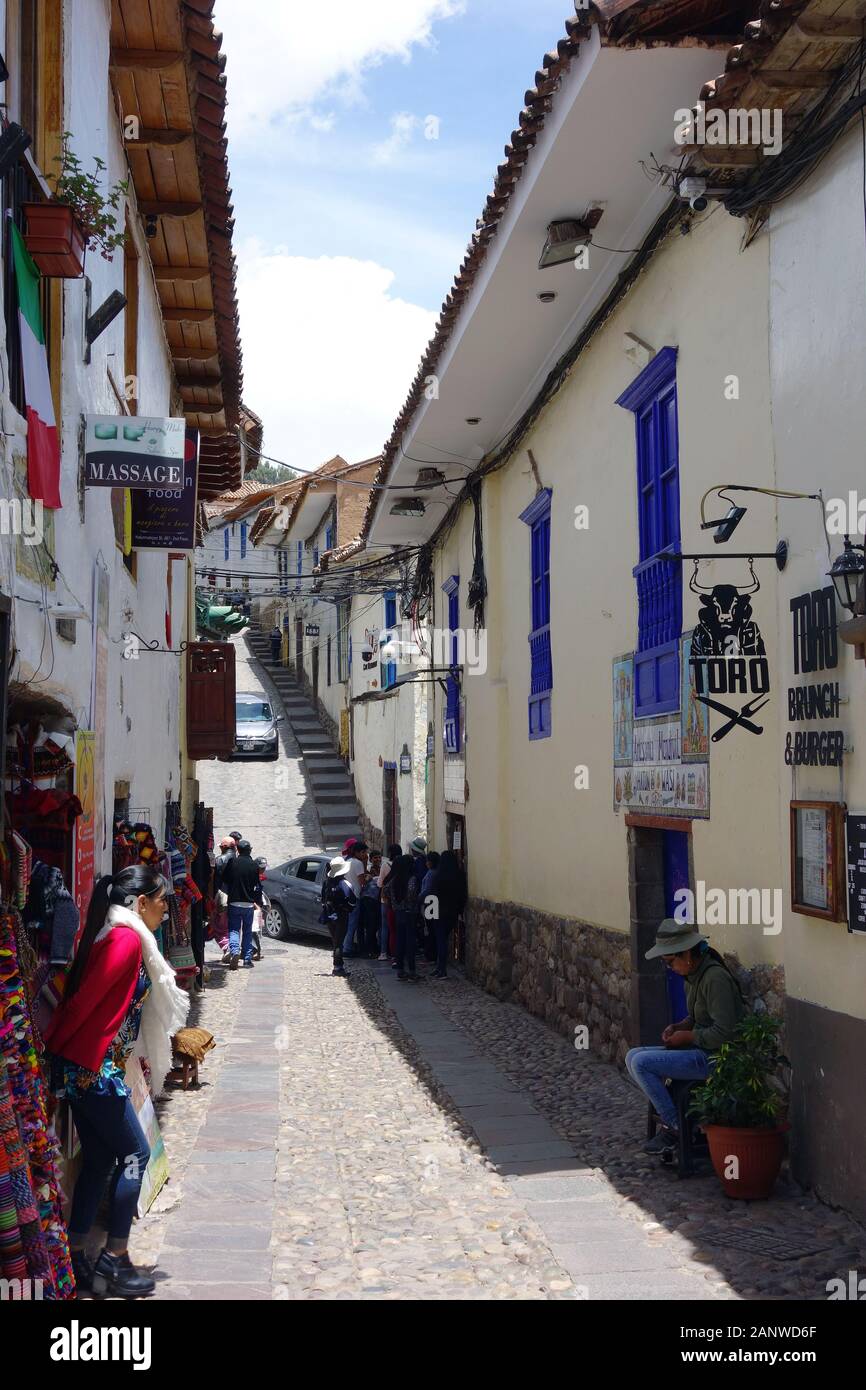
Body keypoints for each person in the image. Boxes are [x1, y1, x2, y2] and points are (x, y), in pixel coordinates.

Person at [44, 865, 189, 1298]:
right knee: (135, 1155)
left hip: (93, 1065)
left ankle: (75, 1255)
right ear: (140, 903)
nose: (167, 906)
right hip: (94, 1070)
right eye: (161, 898)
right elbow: (84, 1002)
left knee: (103, 1159)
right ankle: (115, 1257)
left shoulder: (125, 937)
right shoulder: (125, 941)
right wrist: (50, 1053)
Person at [625, 919, 747, 1154]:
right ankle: (675, 1124)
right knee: (633, 1055)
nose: (671, 968)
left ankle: (676, 1126)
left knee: (642, 1064)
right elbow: (696, 1017)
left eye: (671, 962)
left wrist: (689, 1037)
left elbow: (725, 1032)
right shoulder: (692, 977)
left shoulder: (715, 979)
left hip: (715, 1058)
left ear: (687, 954)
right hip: (698, 1050)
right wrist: (679, 1026)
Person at [220, 838, 263, 969]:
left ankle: (234, 952)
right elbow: (257, 885)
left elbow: (225, 879)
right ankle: (247, 960)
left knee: (234, 929)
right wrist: (257, 902)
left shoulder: (233, 862)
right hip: (248, 904)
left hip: (234, 902)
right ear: (249, 850)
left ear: (237, 850)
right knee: (247, 931)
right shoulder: (254, 865)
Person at [425, 849, 466, 979]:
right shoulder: (459, 875)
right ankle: (440, 967)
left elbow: (433, 894)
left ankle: (441, 969)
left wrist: (429, 912)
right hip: (452, 912)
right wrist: (460, 910)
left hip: (439, 912)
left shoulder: (439, 875)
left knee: (440, 940)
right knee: (443, 939)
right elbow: (462, 895)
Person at [321, 856, 357, 977]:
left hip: (329, 916)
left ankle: (338, 966)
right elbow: (352, 902)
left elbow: (322, 899)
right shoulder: (345, 884)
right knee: (339, 943)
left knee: (335, 941)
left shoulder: (327, 883)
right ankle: (338, 967)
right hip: (341, 916)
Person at [387, 855, 420, 982]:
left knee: (400, 941)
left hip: (398, 912)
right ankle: (412, 971)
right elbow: (412, 893)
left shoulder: (394, 879)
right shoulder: (411, 879)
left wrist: (395, 903)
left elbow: (385, 890)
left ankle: (400, 970)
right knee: (410, 942)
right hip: (409, 912)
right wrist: (410, 901)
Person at [341, 840, 368, 956]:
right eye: (363, 852)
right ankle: (347, 948)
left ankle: (345, 946)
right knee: (352, 923)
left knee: (347, 923)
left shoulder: (347, 861)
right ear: (357, 852)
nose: (364, 855)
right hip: (355, 896)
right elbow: (362, 881)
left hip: (346, 895)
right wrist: (369, 878)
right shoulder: (358, 863)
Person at [211, 836, 236, 961]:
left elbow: (213, 881)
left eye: (221, 846)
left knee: (218, 927)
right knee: (233, 926)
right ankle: (233, 948)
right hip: (236, 898)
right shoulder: (238, 859)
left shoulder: (219, 860)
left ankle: (227, 948)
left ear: (224, 847)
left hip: (222, 898)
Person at [378, 843, 401, 960]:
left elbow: (379, 883)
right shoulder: (402, 864)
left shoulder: (385, 865)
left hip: (385, 900)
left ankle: (383, 952)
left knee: (385, 927)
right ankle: (396, 953)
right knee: (397, 928)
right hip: (398, 900)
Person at [360, 850, 382, 957]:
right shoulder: (369, 871)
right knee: (371, 926)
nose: (377, 859)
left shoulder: (382, 869)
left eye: (379, 857)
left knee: (374, 926)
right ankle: (369, 949)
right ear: (371, 860)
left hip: (377, 901)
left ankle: (373, 948)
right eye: (375, 858)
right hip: (370, 901)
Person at [419, 851, 440, 963]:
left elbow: (427, 890)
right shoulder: (435, 872)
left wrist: (418, 899)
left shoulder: (432, 873)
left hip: (430, 903)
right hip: (432, 903)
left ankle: (431, 955)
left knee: (430, 929)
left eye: (427, 861)